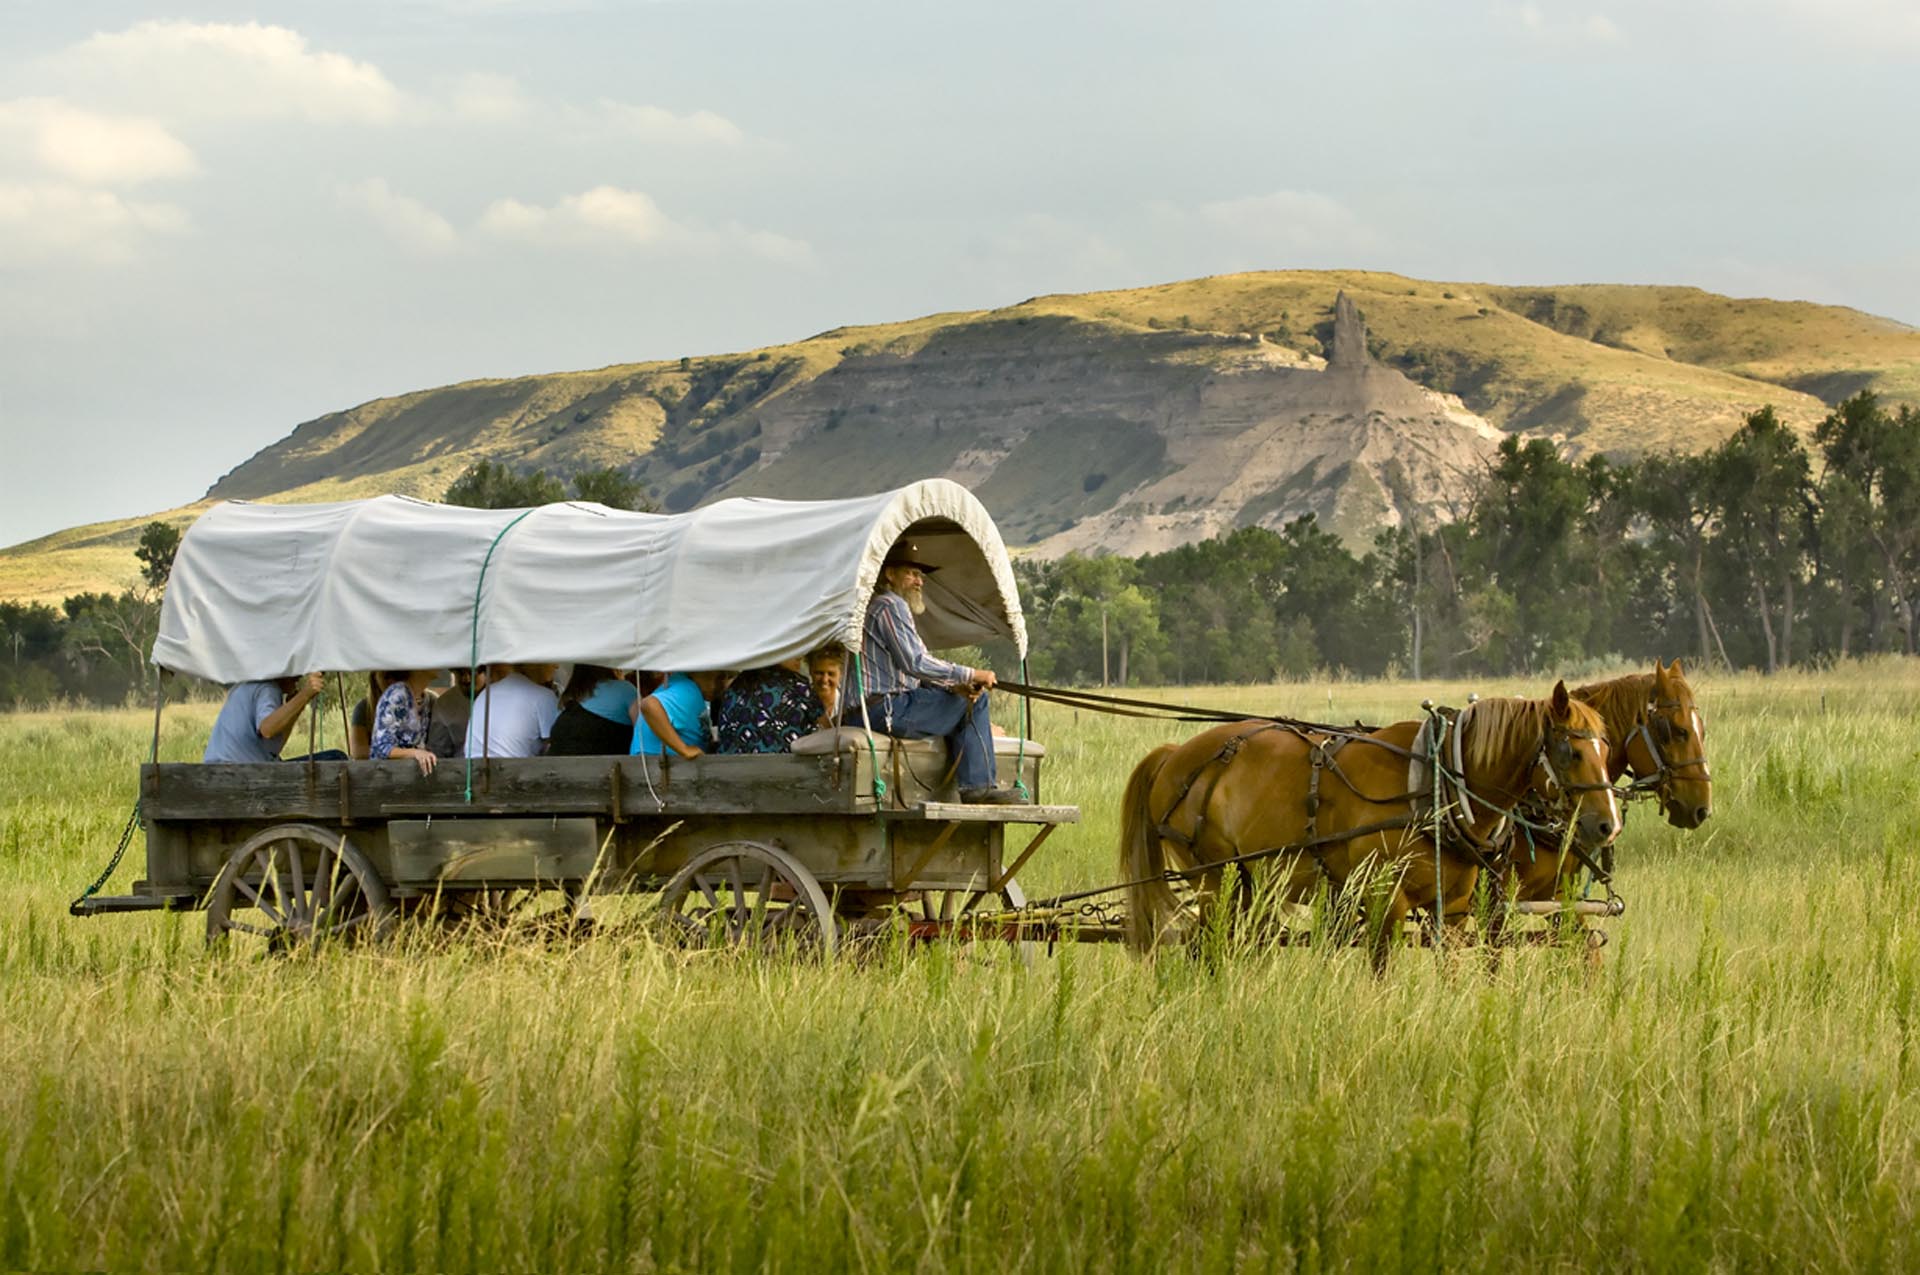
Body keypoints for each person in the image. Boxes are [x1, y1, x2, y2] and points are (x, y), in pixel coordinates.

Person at [857, 540, 1015, 803]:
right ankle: (978, 787)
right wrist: (970, 675)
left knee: (963, 697)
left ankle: (971, 783)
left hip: (881, 707)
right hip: (885, 709)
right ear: (890, 574)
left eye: (920, 575)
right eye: (911, 573)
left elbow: (915, 670)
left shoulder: (884, 607)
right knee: (975, 703)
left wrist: (952, 687)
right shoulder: (890, 606)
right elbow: (915, 662)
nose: (919, 581)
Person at [203, 673, 344, 763]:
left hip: (227, 767)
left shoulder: (245, 686)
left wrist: (295, 707)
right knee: (336, 758)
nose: (299, 676)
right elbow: (267, 729)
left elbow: (273, 747)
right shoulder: (268, 688)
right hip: (244, 773)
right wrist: (304, 695)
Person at [715, 657, 824, 753]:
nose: (800, 657)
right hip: (786, 771)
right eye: (792, 649)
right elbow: (825, 731)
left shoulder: (734, 687)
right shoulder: (798, 686)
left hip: (732, 771)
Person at [464, 663, 561, 759]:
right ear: (533, 664)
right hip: (516, 770)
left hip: (473, 769)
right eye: (549, 659)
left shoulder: (485, 693)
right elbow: (556, 744)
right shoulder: (544, 696)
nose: (557, 666)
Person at [630, 670, 725, 759]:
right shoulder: (686, 689)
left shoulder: (683, 685)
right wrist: (684, 749)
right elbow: (649, 705)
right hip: (659, 766)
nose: (721, 686)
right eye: (720, 678)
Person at [548, 665, 639, 756]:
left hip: (558, 765)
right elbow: (643, 733)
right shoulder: (625, 690)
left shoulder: (568, 695)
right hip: (607, 766)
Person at [370, 669, 440, 776]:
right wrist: (415, 753)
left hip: (408, 777)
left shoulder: (426, 700)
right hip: (385, 777)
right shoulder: (397, 694)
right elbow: (382, 747)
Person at [427, 666, 483, 759]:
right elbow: (437, 752)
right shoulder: (445, 703)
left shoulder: (503, 696)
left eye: (473, 672)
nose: (466, 679)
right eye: (460, 672)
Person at [347, 671, 399, 760]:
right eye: (386, 677)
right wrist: (402, 753)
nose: (392, 682)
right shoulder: (364, 708)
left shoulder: (426, 702)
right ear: (375, 678)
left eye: (397, 676)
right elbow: (358, 751)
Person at [808, 645, 846, 729]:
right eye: (819, 673)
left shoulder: (847, 704)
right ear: (810, 672)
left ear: (840, 674)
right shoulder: (801, 703)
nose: (824, 680)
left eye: (831, 674)